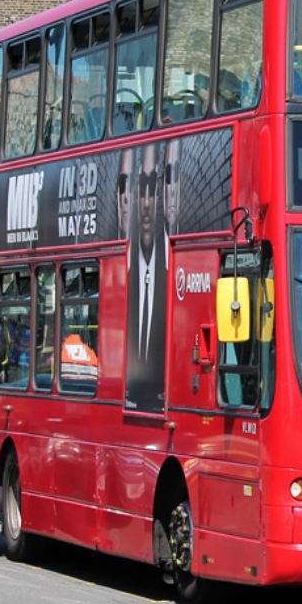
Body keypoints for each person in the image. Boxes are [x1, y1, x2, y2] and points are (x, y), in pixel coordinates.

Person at [126, 142, 167, 411]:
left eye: (153, 188)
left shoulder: (172, 270)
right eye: (142, 188)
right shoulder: (122, 272)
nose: (147, 203)